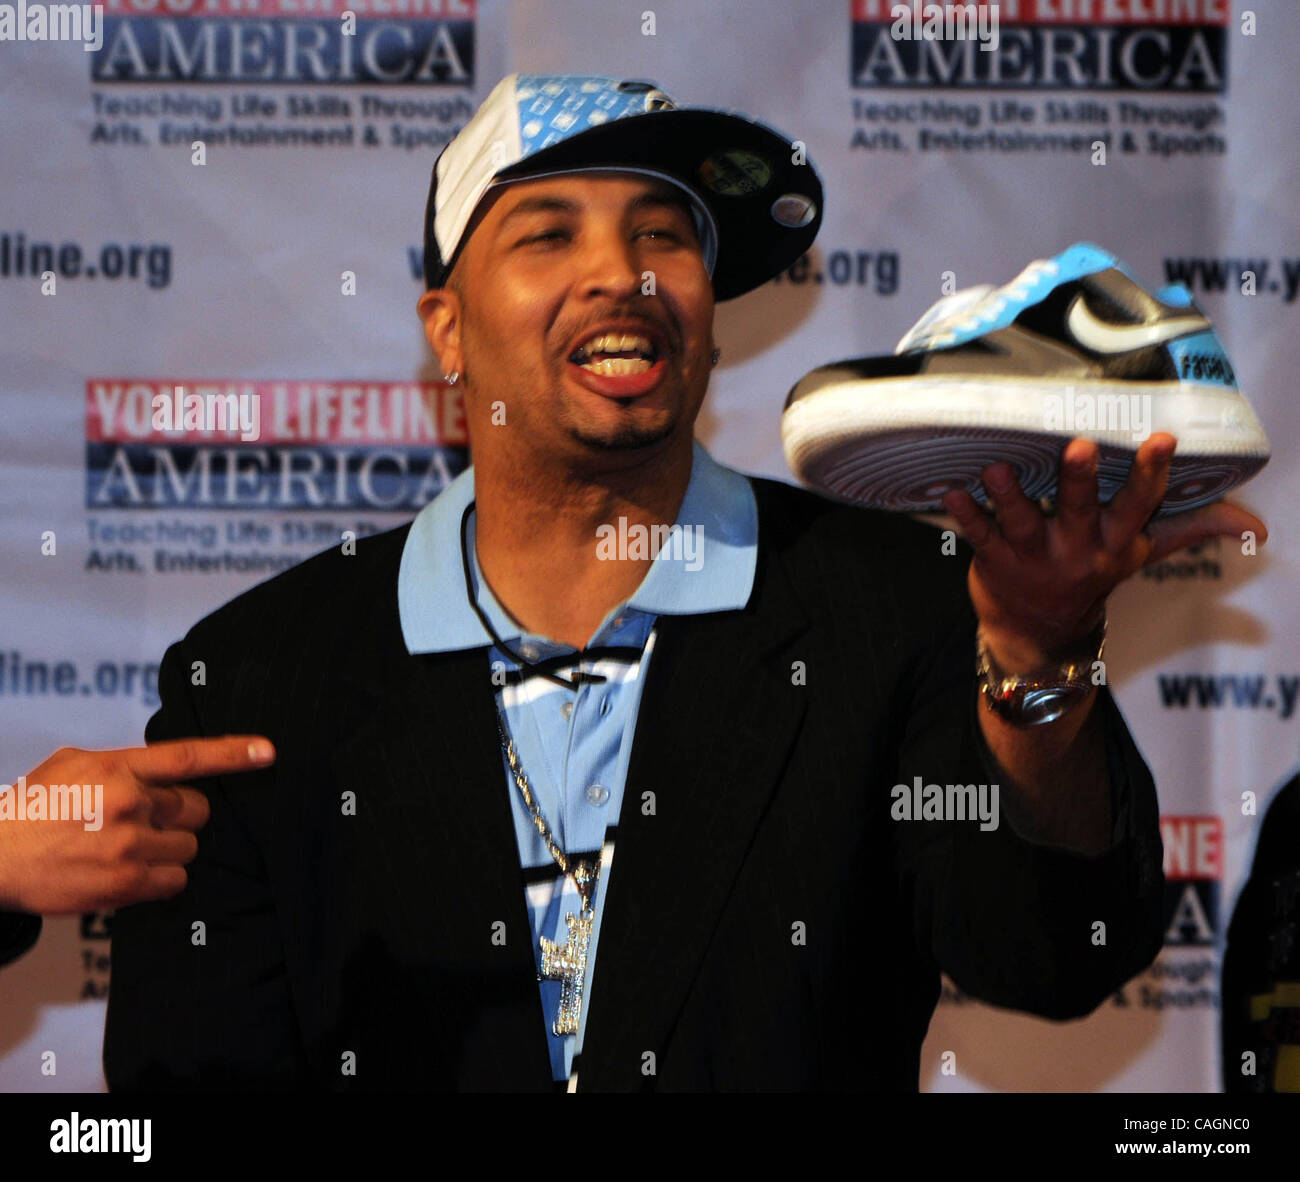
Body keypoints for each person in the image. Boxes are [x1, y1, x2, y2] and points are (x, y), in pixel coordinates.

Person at [101, 74, 1265, 1091]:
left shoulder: (899, 604)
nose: (623, 274)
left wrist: (1040, 656)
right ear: (446, 332)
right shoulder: (253, 680)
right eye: (548, 234)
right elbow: (187, 1081)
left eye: (665, 236)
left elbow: (1058, 956)